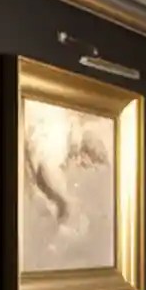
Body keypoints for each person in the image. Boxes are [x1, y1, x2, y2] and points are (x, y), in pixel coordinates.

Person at [24, 101, 111, 238]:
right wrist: (66, 202)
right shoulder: (59, 133)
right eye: (84, 163)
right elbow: (46, 167)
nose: (78, 163)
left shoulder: (64, 134)